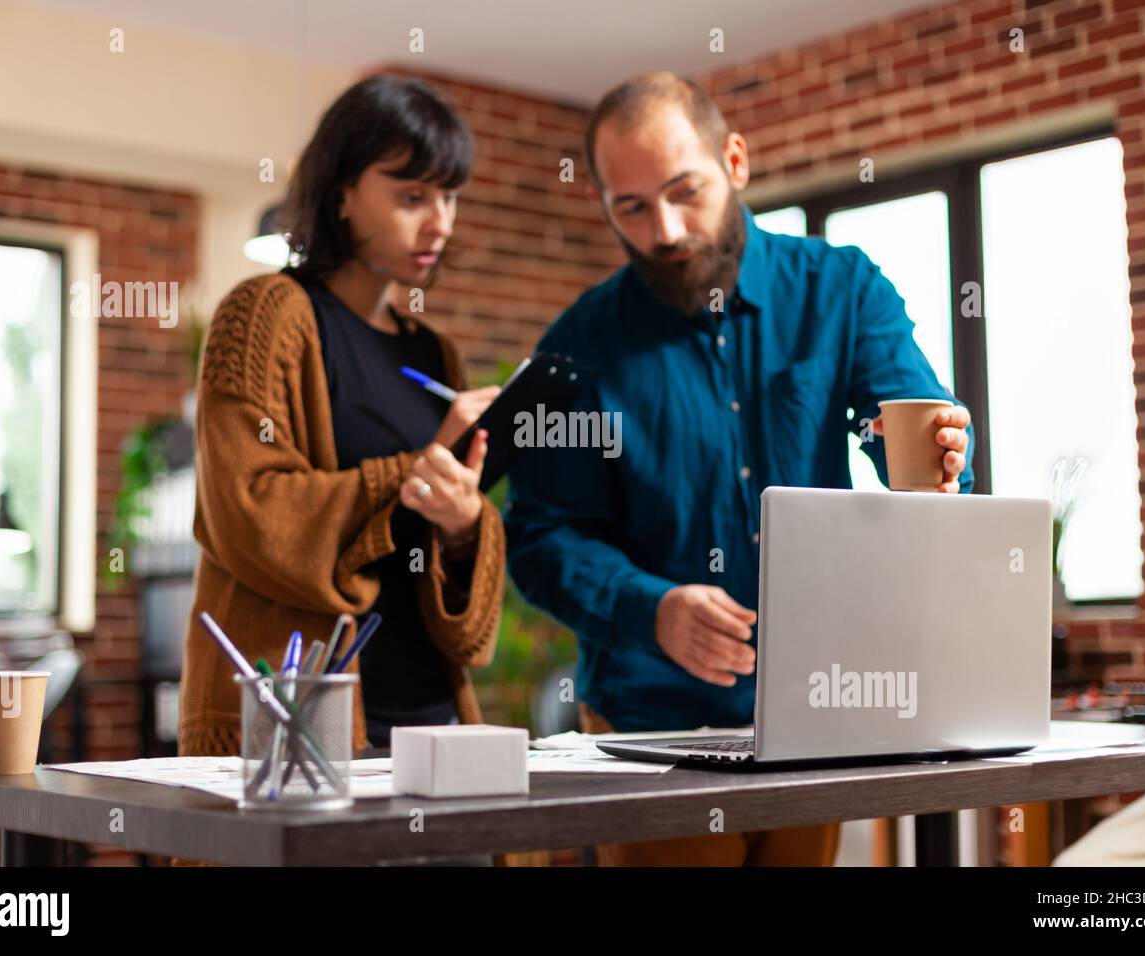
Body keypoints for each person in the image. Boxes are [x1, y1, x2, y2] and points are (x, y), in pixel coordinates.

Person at [506, 72, 975, 866]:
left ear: (734, 160)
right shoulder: (575, 349)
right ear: (604, 207)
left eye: (685, 191)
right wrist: (649, 608)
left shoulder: (843, 290)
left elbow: (911, 442)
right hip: (646, 729)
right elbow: (541, 538)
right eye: (632, 207)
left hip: (816, 708)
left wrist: (940, 466)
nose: (664, 229)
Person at [179, 74, 505, 766]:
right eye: (411, 195)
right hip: (298, 724)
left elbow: (456, 588)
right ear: (341, 193)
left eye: (449, 196)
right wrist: (416, 471)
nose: (439, 221)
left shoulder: (434, 351)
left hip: (432, 720)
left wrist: (460, 524)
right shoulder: (263, 313)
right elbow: (249, 509)